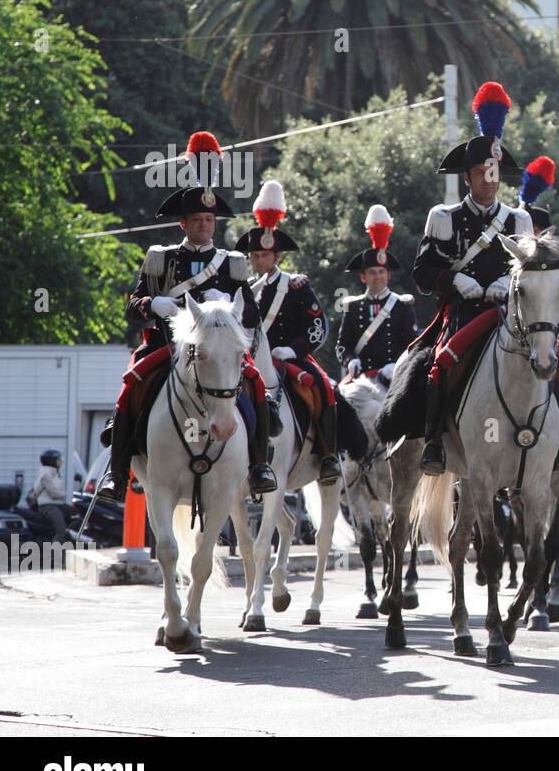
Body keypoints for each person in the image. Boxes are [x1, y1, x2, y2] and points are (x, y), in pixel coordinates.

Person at [413, 83, 559, 476]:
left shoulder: (519, 220)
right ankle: (436, 442)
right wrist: (455, 282)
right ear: (468, 177)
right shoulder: (444, 217)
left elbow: (533, 271)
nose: (489, 180)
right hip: (462, 312)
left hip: (512, 310)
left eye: (493, 172)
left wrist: (503, 287)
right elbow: (422, 273)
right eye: (480, 173)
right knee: (439, 365)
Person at [97, 132, 277, 504]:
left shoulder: (233, 263)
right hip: (167, 347)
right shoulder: (161, 258)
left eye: (209, 219)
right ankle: (117, 473)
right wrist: (153, 304)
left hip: (218, 353)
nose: (204, 226)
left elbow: (252, 319)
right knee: (131, 387)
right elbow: (132, 308)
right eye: (197, 220)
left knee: (257, 388)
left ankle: (259, 467)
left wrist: (228, 305)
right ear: (184, 223)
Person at [235, 180, 341, 482]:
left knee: (323, 387)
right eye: (255, 256)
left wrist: (294, 349)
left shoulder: (295, 286)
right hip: (249, 361)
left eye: (264, 256)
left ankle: (328, 455)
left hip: (289, 357)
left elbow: (318, 327)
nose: (259, 261)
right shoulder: (244, 291)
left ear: (276, 257)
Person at [335, 204, 418, 386]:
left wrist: (396, 366)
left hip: (395, 377)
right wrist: (350, 361)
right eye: (372, 272)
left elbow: (412, 347)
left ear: (388, 275)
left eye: (381, 272)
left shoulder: (401, 305)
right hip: (361, 379)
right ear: (363, 277)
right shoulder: (353, 307)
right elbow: (343, 346)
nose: (377, 277)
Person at [28, 450, 70, 542]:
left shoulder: (53, 473)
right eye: (58, 459)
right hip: (48, 506)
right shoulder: (46, 475)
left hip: (56, 505)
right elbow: (55, 493)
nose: (61, 461)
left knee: (75, 514)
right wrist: (64, 495)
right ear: (52, 461)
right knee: (61, 530)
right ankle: (54, 554)